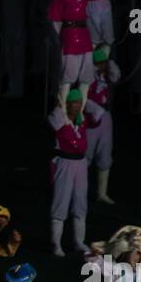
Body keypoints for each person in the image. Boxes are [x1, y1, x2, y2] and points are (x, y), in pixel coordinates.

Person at [47, 89, 101, 256]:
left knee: (80, 203)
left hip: (80, 164)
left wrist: (86, 99)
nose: (77, 106)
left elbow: (98, 113)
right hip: (65, 163)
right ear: (67, 104)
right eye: (74, 102)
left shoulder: (81, 121)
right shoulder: (59, 119)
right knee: (61, 202)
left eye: (79, 102)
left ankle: (79, 241)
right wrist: (61, 101)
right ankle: (56, 244)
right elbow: (54, 119)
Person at [48, 0, 92, 108]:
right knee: (67, 78)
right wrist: (59, 39)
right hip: (69, 41)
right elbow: (55, 18)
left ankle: (80, 112)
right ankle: (63, 114)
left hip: (85, 39)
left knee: (86, 78)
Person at [85, 46, 119, 204]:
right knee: (86, 155)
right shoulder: (89, 77)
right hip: (92, 119)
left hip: (106, 118)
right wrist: (95, 111)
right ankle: (80, 191)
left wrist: (110, 62)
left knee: (105, 153)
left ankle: (102, 193)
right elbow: (85, 99)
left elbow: (117, 76)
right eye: (101, 62)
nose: (104, 65)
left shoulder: (107, 75)